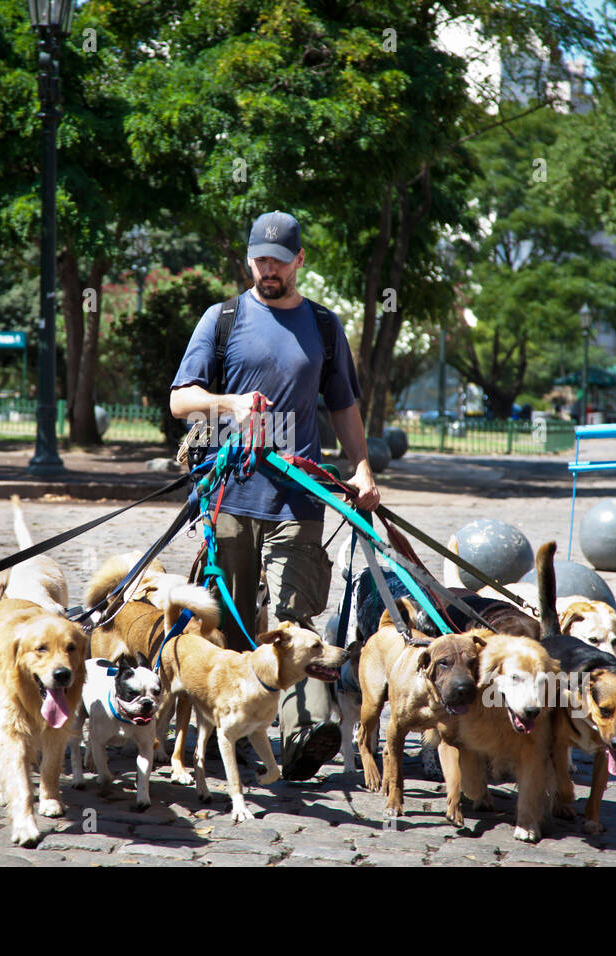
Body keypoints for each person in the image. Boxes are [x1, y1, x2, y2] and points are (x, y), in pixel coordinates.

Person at [169, 210, 379, 781]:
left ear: (299, 261)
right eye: (259, 260)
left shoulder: (325, 326)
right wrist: (228, 404)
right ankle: (227, 732)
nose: (268, 271)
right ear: (248, 259)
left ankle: (304, 732)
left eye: (278, 263)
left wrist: (360, 468)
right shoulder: (223, 318)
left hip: (299, 499)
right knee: (232, 625)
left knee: (295, 620)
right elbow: (180, 400)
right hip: (230, 496)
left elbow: (344, 408)